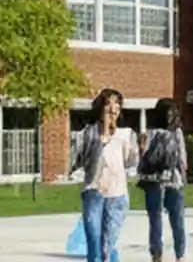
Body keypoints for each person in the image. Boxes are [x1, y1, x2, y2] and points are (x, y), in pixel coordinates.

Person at [71, 88, 139, 262]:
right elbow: (80, 161)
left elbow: (132, 163)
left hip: (117, 196)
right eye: (108, 104)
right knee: (94, 244)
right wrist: (105, 136)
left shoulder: (126, 134)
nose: (113, 108)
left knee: (107, 246)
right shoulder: (88, 133)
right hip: (94, 192)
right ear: (100, 108)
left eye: (117, 104)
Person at [137, 97, 188, 262]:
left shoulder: (149, 132)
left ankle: (157, 255)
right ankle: (179, 255)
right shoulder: (177, 132)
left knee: (156, 218)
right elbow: (182, 159)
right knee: (176, 218)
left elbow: (142, 156)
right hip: (173, 179)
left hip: (153, 180)